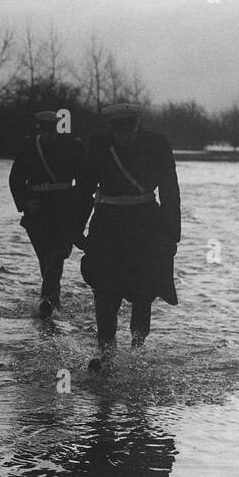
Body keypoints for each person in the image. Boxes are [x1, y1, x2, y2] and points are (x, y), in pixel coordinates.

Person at [75, 101, 180, 368]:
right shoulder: (99, 145)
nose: (123, 135)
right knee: (103, 286)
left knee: (144, 288)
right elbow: (84, 188)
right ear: (112, 128)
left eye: (127, 128)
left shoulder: (158, 144)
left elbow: (170, 192)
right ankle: (106, 352)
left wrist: (171, 235)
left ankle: (137, 348)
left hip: (146, 225)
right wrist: (75, 226)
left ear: (136, 124)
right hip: (107, 225)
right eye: (117, 129)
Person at [9, 111, 87, 318]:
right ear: (39, 129)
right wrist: (25, 201)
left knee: (56, 254)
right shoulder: (29, 147)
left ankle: (47, 300)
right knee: (46, 257)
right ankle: (54, 298)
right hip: (37, 211)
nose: (49, 134)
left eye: (52, 129)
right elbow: (15, 179)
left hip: (63, 209)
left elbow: (84, 180)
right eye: (44, 129)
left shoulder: (71, 146)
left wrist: (77, 206)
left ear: (58, 128)